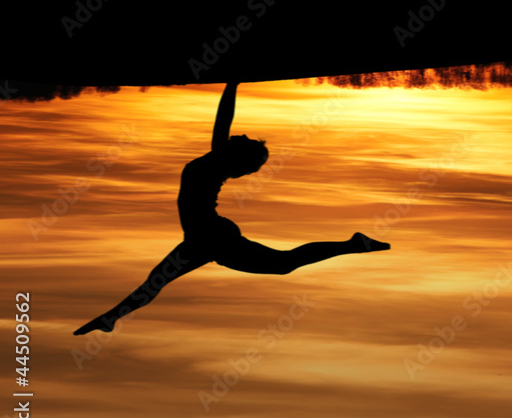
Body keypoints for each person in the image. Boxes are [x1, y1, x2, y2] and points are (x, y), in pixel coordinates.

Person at [73, 82, 389, 335]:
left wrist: (233, 82)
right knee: (281, 264)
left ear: (237, 152)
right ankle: (112, 318)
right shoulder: (217, 163)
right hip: (207, 236)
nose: (241, 133)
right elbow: (225, 123)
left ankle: (353, 244)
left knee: (279, 264)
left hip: (211, 236)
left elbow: (224, 118)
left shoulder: (217, 161)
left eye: (245, 139)